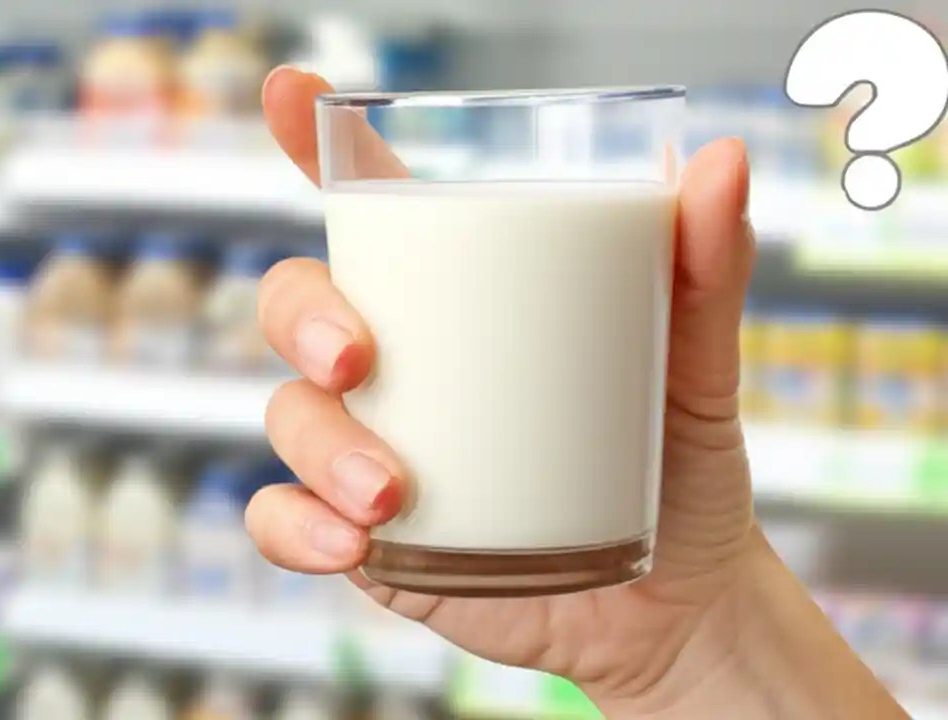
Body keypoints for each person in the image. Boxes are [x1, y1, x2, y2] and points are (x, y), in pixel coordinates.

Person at [243, 66, 909, 719]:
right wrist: (698, 645)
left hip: (619, 546)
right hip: (427, 540)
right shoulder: (381, 208)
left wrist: (704, 635)